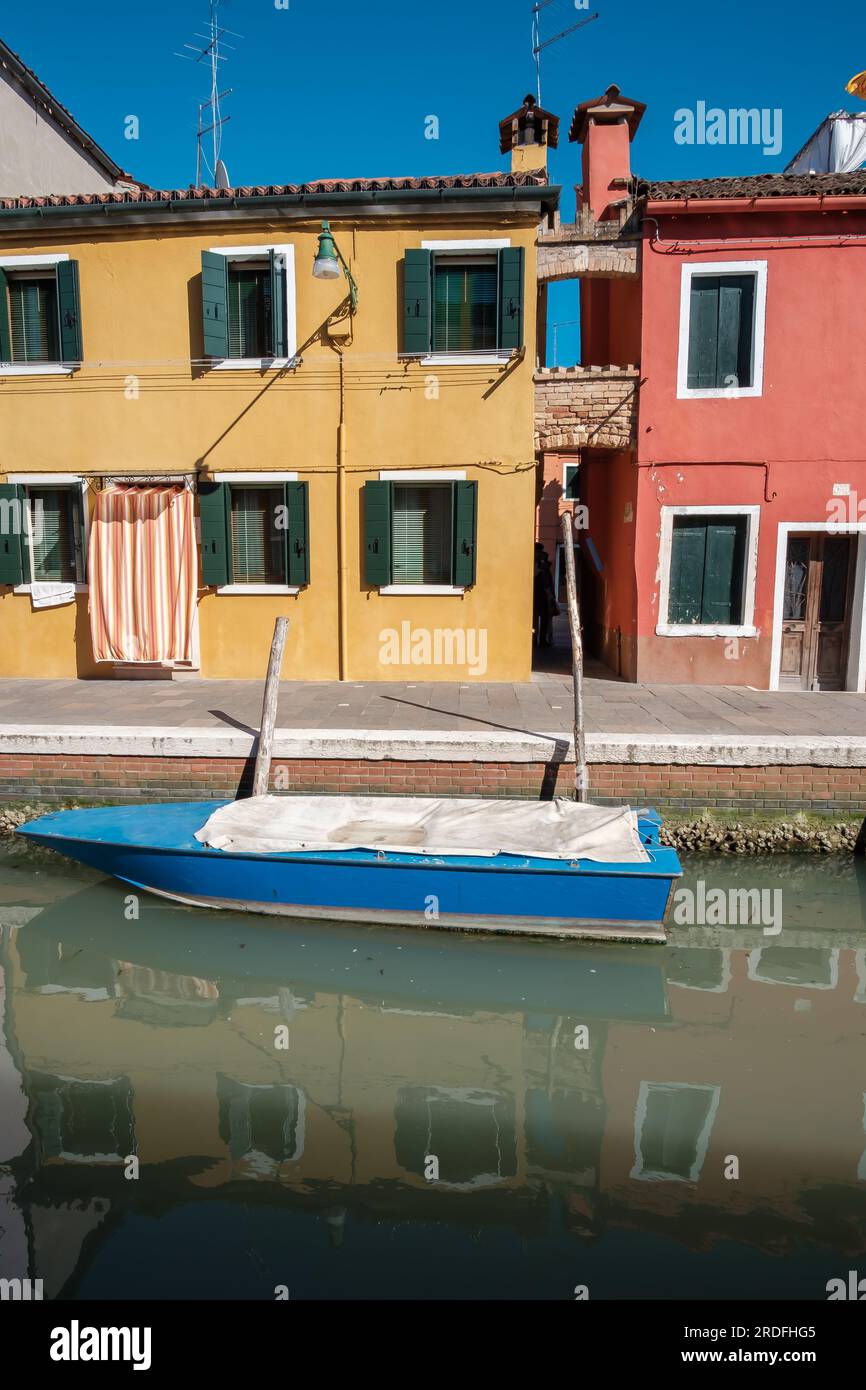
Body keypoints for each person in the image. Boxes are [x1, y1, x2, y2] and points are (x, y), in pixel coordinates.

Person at [533, 542, 559, 647]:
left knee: (542, 619)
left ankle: (539, 640)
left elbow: (548, 581)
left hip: (540, 594)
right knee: (540, 619)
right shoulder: (537, 565)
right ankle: (538, 640)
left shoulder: (543, 564)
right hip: (540, 594)